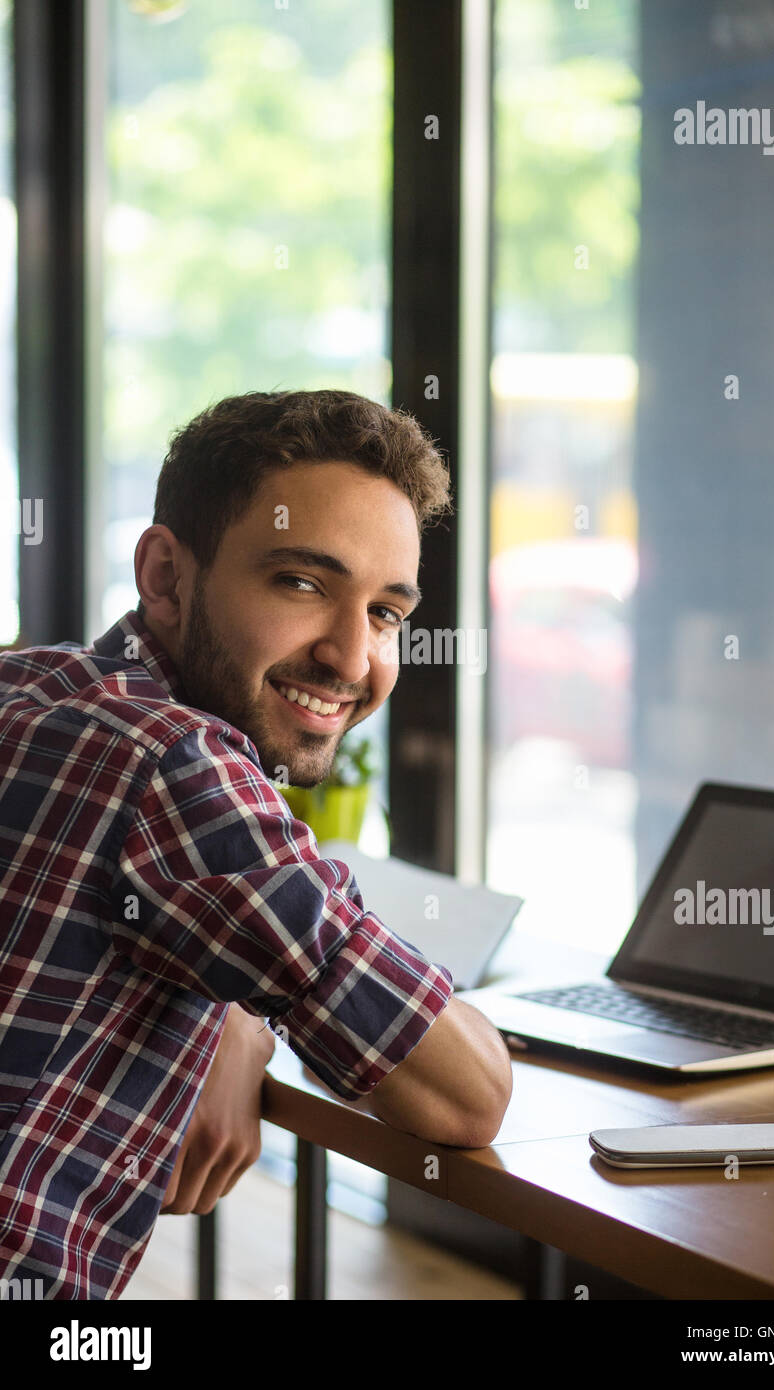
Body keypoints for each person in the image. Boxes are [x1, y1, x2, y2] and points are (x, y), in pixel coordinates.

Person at [0, 388, 512, 1299]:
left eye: (387, 613)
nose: (353, 660)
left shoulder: (31, 690)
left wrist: (238, 1004)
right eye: (303, 584)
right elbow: (469, 1095)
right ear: (165, 577)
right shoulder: (176, 762)